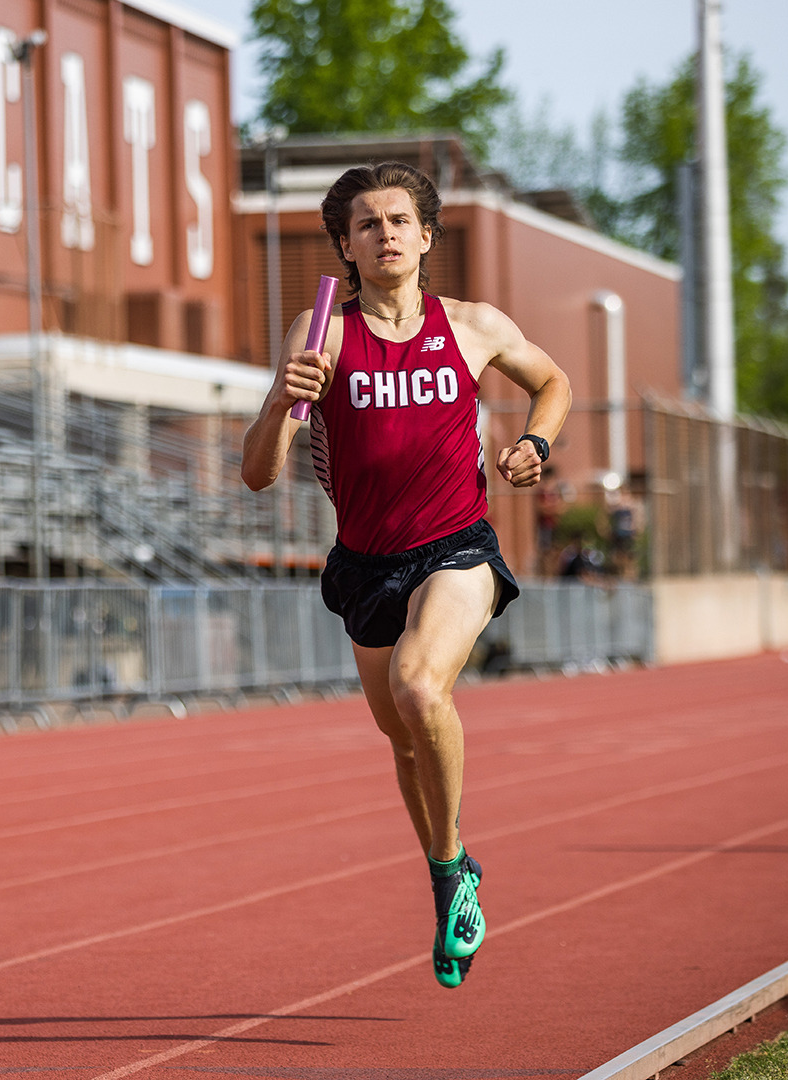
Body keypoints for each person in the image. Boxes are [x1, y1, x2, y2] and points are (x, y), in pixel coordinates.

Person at [240, 161, 571, 989]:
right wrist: (282, 401)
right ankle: (447, 866)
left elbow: (553, 381)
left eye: (398, 220)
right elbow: (256, 474)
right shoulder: (320, 337)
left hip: (456, 547)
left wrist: (536, 443)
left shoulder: (472, 326)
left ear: (427, 237)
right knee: (403, 738)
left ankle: (455, 868)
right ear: (345, 247)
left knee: (425, 691)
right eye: (366, 224)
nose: (384, 234)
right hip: (365, 562)